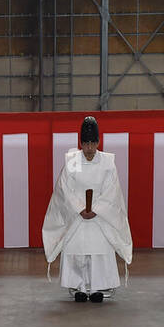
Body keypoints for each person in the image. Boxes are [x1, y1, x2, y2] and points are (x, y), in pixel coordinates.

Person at [42, 116, 132, 303]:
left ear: (98, 142)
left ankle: (98, 287)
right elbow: (64, 188)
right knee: (77, 252)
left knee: (99, 253)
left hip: (99, 216)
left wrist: (96, 208)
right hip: (77, 216)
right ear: (80, 143)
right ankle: (79, 288)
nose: (89, 148)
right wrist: (80, 208)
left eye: (92, 143)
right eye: (85, 143)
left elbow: (112, 189)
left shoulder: (107, 162)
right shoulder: (72, 161)